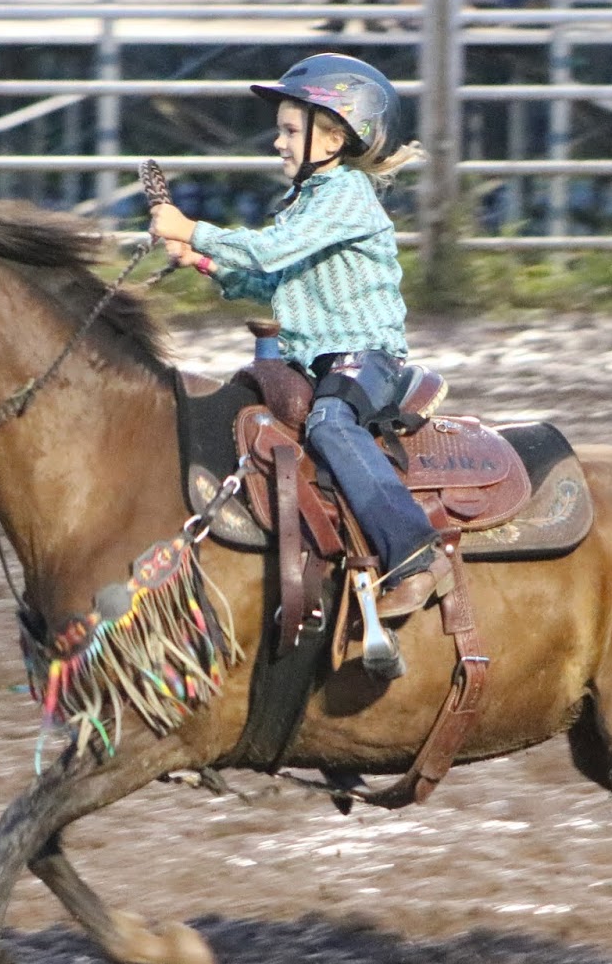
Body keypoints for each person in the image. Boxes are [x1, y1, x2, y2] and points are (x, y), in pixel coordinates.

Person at [149, 53, 452, 620]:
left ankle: (414, 552)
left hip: (365, 357)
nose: (278, 143)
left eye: (290, 130)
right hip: (324, 361)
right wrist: (205, 262)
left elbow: (268, 251)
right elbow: (273, 279)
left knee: (330, 424)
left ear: (335, 136)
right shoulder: (307, 203)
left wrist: (194, 229)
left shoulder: (344, 197)